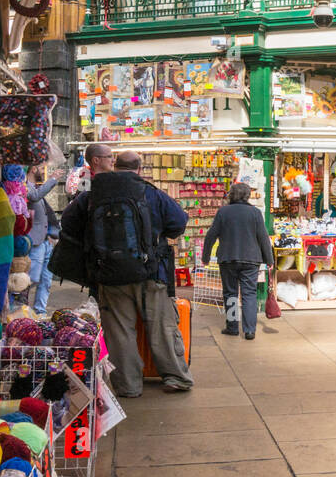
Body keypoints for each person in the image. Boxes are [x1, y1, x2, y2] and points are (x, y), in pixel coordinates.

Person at [60, 151, 193, 398]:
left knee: (120, 333)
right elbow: (178, 222)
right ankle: (175, 377)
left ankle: (129, 386)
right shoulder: (150, 192)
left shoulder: (92, 195)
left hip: (109, 276)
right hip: (151, 273)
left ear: (115, 166)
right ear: (139, 169)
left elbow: (67, 222)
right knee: (162, 326)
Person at [201, 182, 275, 340]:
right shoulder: (255, 212)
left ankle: (233, 327)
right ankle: (249, 330)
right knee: (249, 294)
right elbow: (263, 237)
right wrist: (269, 259)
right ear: (247, 195)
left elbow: (211, 235)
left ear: (231, 195)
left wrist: (205, 257)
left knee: (230, 293)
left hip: (228, 258)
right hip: (251, 259)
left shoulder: (223, 212)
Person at [26, 165, 60, 314]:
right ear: (33, 169)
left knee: (46, 280)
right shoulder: (25, 186)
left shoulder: (34, 187)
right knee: (32, 278)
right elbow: (35, 196)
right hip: (35, 242)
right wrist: (52, 179)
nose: (43, 170)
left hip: (45, 240)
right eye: (40, 167)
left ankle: (40, 311)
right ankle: (22, 307)